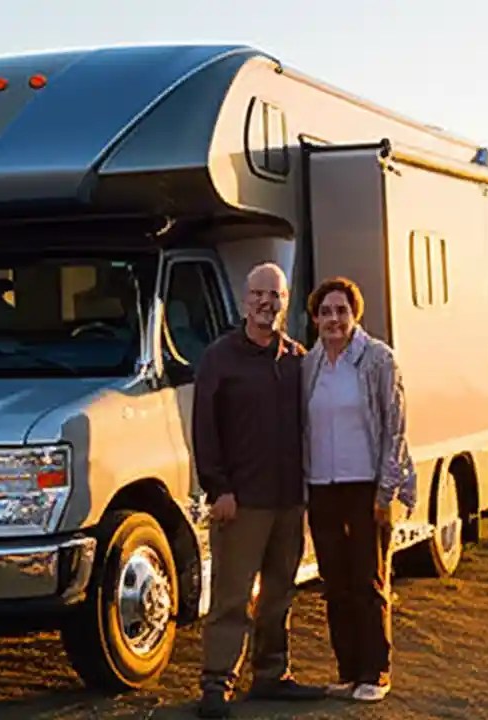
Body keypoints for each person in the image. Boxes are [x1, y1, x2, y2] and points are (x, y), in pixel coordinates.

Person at [191, 262, 325, 718]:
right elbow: (205, 429)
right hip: (240, 502)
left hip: (289, 500)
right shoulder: (219, 357)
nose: (267, 303)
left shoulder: (297, 359)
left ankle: (271, 675)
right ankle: (216, 683)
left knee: (279, 594)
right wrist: (218, 489)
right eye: (259, 295)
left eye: (276, 296)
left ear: (286, 302)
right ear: (245, 300)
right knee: (231, 597)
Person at [301, 275, 416, 703]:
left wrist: (386, 490)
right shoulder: (309, 365)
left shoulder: (378, 360)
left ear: (355, 315)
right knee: (335, 583)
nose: (334, 319)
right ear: (315, 318)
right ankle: (348, 673)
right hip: (322, 488)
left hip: (366, 486)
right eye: (326, 312)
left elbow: (395, 426)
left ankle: (376, 673)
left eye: (341, 311)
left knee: (369, 580)